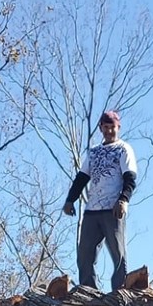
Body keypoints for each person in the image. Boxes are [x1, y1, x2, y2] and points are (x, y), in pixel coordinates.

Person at [62, 109, 138, 291]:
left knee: (118, 254)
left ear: (118, 127)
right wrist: (70, 200)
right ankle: (89, 292)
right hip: (92, 210)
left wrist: (123, 200)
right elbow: (81, 178)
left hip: (113, 209)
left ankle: (119, 292)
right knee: (85, 255)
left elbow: (130, 178)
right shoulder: (94, 152)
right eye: (106, 127)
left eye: (112, 127)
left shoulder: (123, 149)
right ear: (101, 128)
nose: (109, 131)